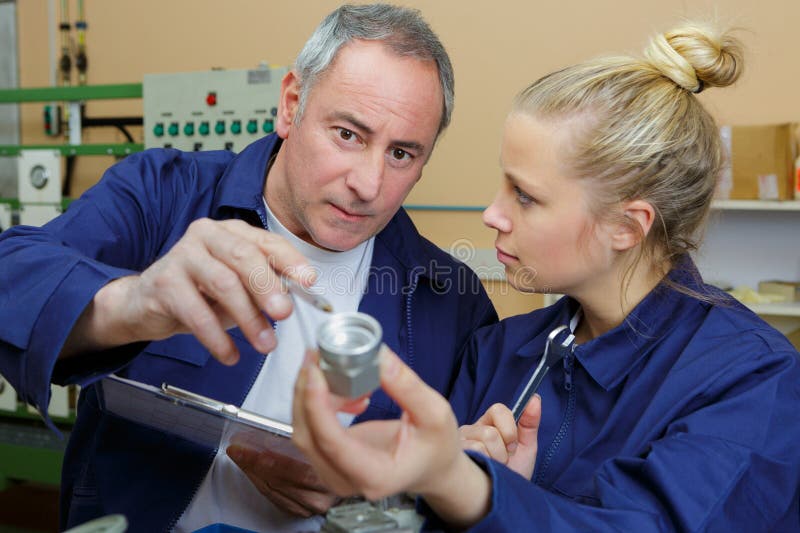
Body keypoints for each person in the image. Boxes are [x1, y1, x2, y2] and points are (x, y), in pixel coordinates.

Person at [0, 4, 497, 532]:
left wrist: (391, 488)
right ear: (291, 104)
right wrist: (135, 302)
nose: (368, 184)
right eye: (348, 134)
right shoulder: (164, 195)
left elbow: (481, 487)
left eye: (401, 153)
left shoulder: (454, 302)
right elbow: (11, 275)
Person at [291, 22, 800, 531]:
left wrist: (468, 486)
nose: (492, 213)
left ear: (625, 226)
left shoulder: (752, 381)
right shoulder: (497, 350)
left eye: (525, 196)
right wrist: (437, 497)